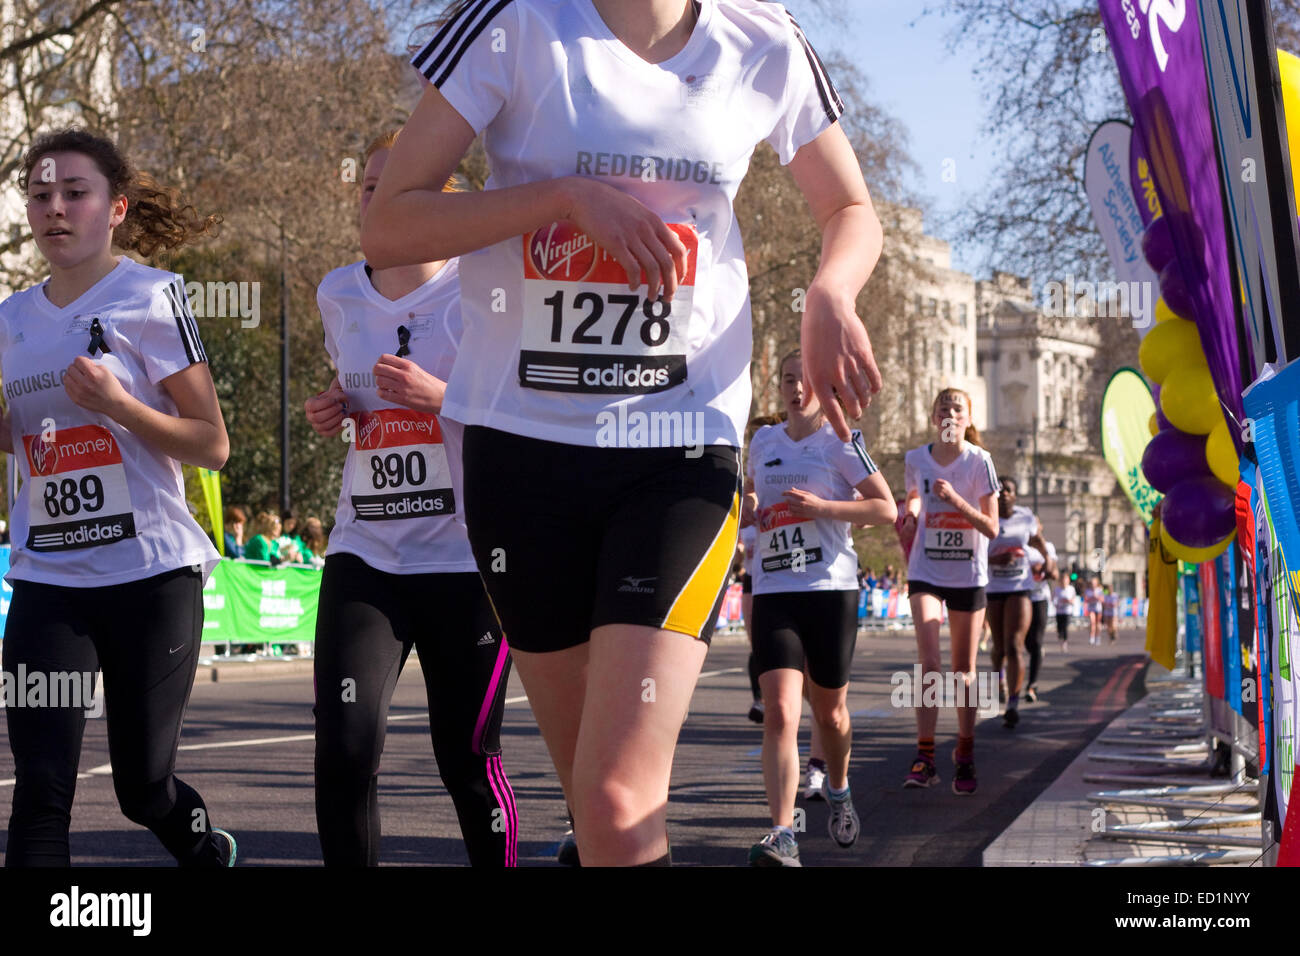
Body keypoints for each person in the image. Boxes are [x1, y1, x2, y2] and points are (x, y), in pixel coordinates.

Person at [364, 0, 884, 865]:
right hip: (521, 449)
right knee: (597, 809)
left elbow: (850, 208)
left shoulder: (763, 38)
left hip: (681, 450)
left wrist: (831, 293)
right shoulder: (516, 21)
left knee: (613, 798)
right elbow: (390, 223)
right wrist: (564, 199)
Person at [0, 127, 235, 866]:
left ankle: (201, 850)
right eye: (40, 196)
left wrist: (119, 406)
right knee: (40, 788)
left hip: (150, 578)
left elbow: (211, 443)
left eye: (75, 193)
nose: (55, 209)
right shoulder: (7, 321)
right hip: (49, 579)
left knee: (142, 787)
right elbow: (24, 440)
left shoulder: (150, 296)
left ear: (117, 208)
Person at [303, 128, 517, 867]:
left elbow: (527, 412)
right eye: (366, 186)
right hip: (367, 551)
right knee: (344, 749)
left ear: (440, 201)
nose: (373, 199)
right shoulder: (339, 292)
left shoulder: (485, 286)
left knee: (466, 759)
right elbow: (360, 396)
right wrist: (335, 407)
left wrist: (441, 396)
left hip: (466, 561)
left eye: (391, 186)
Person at [744, 349, 895, 865]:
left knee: (829, 715)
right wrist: (749, 514)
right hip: (773, 590)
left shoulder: (842, 442)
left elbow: (885, 507)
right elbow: (750, 505)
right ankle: (783, 833)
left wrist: (823, 509)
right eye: (787, 380)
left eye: (805, 380)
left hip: (829, 589)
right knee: (782, 711)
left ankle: (839, 787)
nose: (795, 389)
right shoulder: (761, 443)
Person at [897, 388, 999, 794]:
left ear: (968, 417)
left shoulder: (980, 462)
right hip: (926, 569)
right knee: (929, 661)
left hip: (967, 576)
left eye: (958, 408)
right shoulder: (915, 459)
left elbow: (992, 527)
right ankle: (925, 756)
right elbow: (915, 498)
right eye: (943, 407)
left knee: (963, 671)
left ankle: (965, 749)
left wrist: (955, 499)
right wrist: (910, 517)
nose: (950, 413)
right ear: (934, 416)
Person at [984, 477, 1049, 729]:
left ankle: (1013, 703)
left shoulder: (1025, 516)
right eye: (998, 490)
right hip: (994, 588)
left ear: (1015, 495)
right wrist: (995, 562)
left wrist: (1048, 559)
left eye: (1007, 490)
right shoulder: (986, 514)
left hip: (1020, 587)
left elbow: (1037, 540)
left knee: (1015, 645)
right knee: (999, 647)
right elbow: (975, 553)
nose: (1002, 494)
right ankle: (999, 677)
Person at [1023, 538, 1058, 702]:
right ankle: (1036, 654)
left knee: (1036, 641)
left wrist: (1046, 569)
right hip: (1022, 597)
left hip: (1040, 598)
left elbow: (1055, 573)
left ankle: (1032, 685)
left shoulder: (1048, 547)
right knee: (1024, 641)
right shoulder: (1021, 545)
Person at [1053, 577, 1077, 653]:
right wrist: (1056, 604)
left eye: (1065, 581)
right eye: (1062, 581)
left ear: (1068, 581)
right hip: (1059, 611)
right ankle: (1061, 637)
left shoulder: (1071, 589)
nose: (1064, 583)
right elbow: (1053, 598)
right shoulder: (1057, 589)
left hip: (1067, 611)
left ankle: (1064, 643)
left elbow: (1074, 599)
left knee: (1065, 627)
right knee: (1060, 627)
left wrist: (1069, 601)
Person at [1085, 576, 1103, 645]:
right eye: (1092, 583)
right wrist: (1091, 598)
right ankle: (1092, 637)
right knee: (1092, 623)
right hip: (1091, 608)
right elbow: (1086, 599)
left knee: (1098, 624)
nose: (1093, 585)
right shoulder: (1088, 590)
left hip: (1098, 609)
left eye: (1094, 583)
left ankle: (1097, 637)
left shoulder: (1099, 590)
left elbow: (1102, 599)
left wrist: (1097, 597)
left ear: (1097, 583)